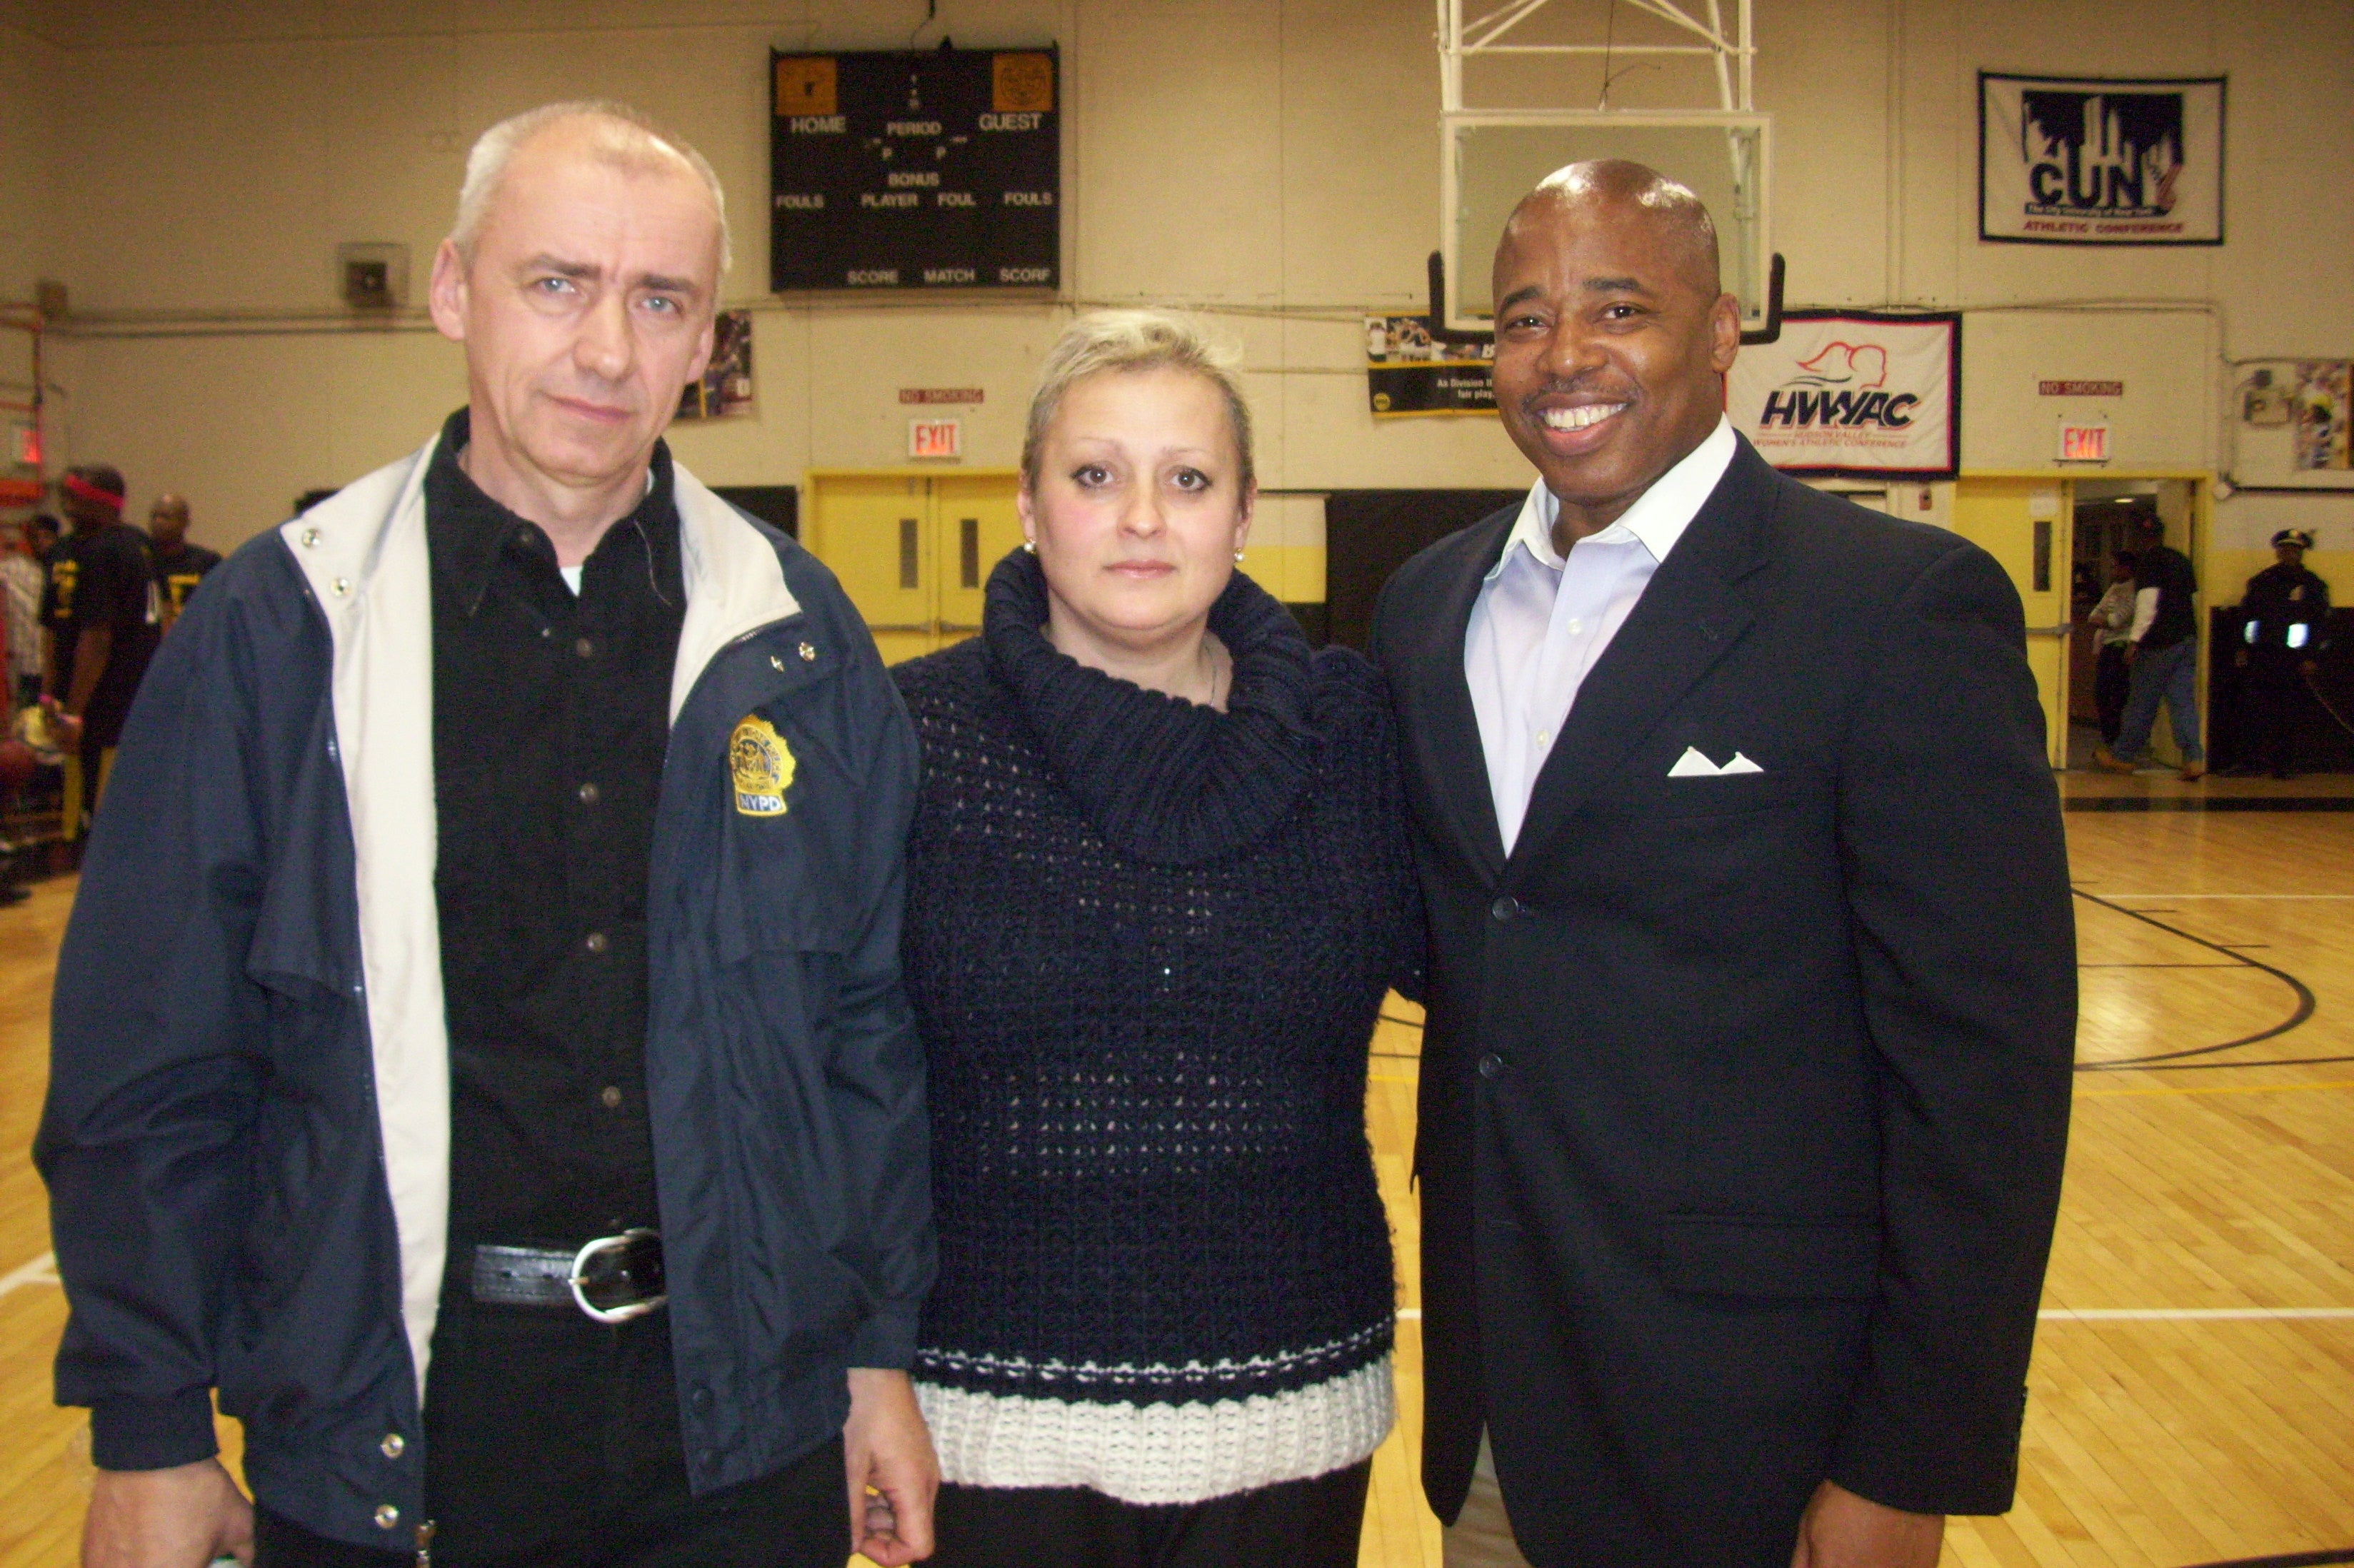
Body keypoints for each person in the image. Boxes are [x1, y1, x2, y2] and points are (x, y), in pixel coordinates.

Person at [37, 101, 937, 1568]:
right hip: (399, 1437)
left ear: (707, 345)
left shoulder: (797, 635)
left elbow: (863, 1038)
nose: (608, 350)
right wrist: (151, 1428)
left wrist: (877, 1352)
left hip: (740, 1435)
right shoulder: (284, 628)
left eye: (661, 301)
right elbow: (151, 1053)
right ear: (455, 290)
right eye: (557, 283)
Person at [1371, 161, 2075, 1568]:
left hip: (1764, 1433)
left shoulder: (1891, 609)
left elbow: (1983, 1079)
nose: (1563, 355)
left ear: (1720, 332)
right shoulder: (1425, 606)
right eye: (1523, 319)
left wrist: (1909, 1459)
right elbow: (1447, 936)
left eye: (1618, 309)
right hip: (1501, 1417)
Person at [891, 311, 1421, 1567]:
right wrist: (859, 1370)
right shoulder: (913, 737)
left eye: (1187, 480)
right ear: (1027, 504)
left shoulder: (1352, 734)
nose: (1142, 518)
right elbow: (830, 1079)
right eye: (1094, 475)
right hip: (985, 1432)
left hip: (1295, 1422)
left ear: (1245, 515)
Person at [39, 464, 161, 841]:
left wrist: (75, 711)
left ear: (103, 502)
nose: (66, 505)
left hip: (111, 690)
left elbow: (98, 636)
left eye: (74, 497)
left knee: (109, 793)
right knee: (77, 787)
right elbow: (51, 627)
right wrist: (48, 692)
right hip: (74, 690)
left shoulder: (116, 549)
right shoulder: (61, 550)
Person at [2094, 513, 2205, 780]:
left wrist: (2135, 641)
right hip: (2185, 639)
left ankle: (2123, 755)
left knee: (2141, 701)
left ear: (2140, 538)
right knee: (2182, 702)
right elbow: (2192, 600)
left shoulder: (2149, 562)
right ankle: (2194, 758)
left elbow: (2148, 603)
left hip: (2158, 643)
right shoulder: (2181, 560)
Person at [2229, 528, 2331, 778]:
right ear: (2278, 552)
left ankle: (2283, 765)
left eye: (2294, 549)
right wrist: (2242, 647)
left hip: (2293, 659)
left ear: (2302, 553)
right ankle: (2251, 763)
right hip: (2262, 655)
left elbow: (2320, 624)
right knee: (2254, 711)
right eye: (2285, 549)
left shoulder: (2312, 585)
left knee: (2288, 712)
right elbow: (2247, 616)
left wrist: (2312, 657)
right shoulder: (2262, 581)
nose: (2289, 554)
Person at [146, 493, 223, 631]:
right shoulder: (143, 561)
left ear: (185, 522)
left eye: (165, 517)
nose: (158, 522)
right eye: (154, 516)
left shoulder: (208, 563)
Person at [2087, 549, 2138, 748]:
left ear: (2127, 568)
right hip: (2106, 646)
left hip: (2121, 648)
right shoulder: (2114, 588)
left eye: (2116, 567)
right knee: (2101, 695)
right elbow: (2094, 615)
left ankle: (2117, 741)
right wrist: (2103, 620)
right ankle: (2108, 739)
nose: (2113, 571)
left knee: (2116, 697)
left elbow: (2116, 621)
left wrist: (2104, 621)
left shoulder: (2134, 591)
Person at [0, 516, 45, 710]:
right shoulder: (43, 570)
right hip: (46, 659)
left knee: (26, 714)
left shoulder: (8, 570)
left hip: (25, 662)